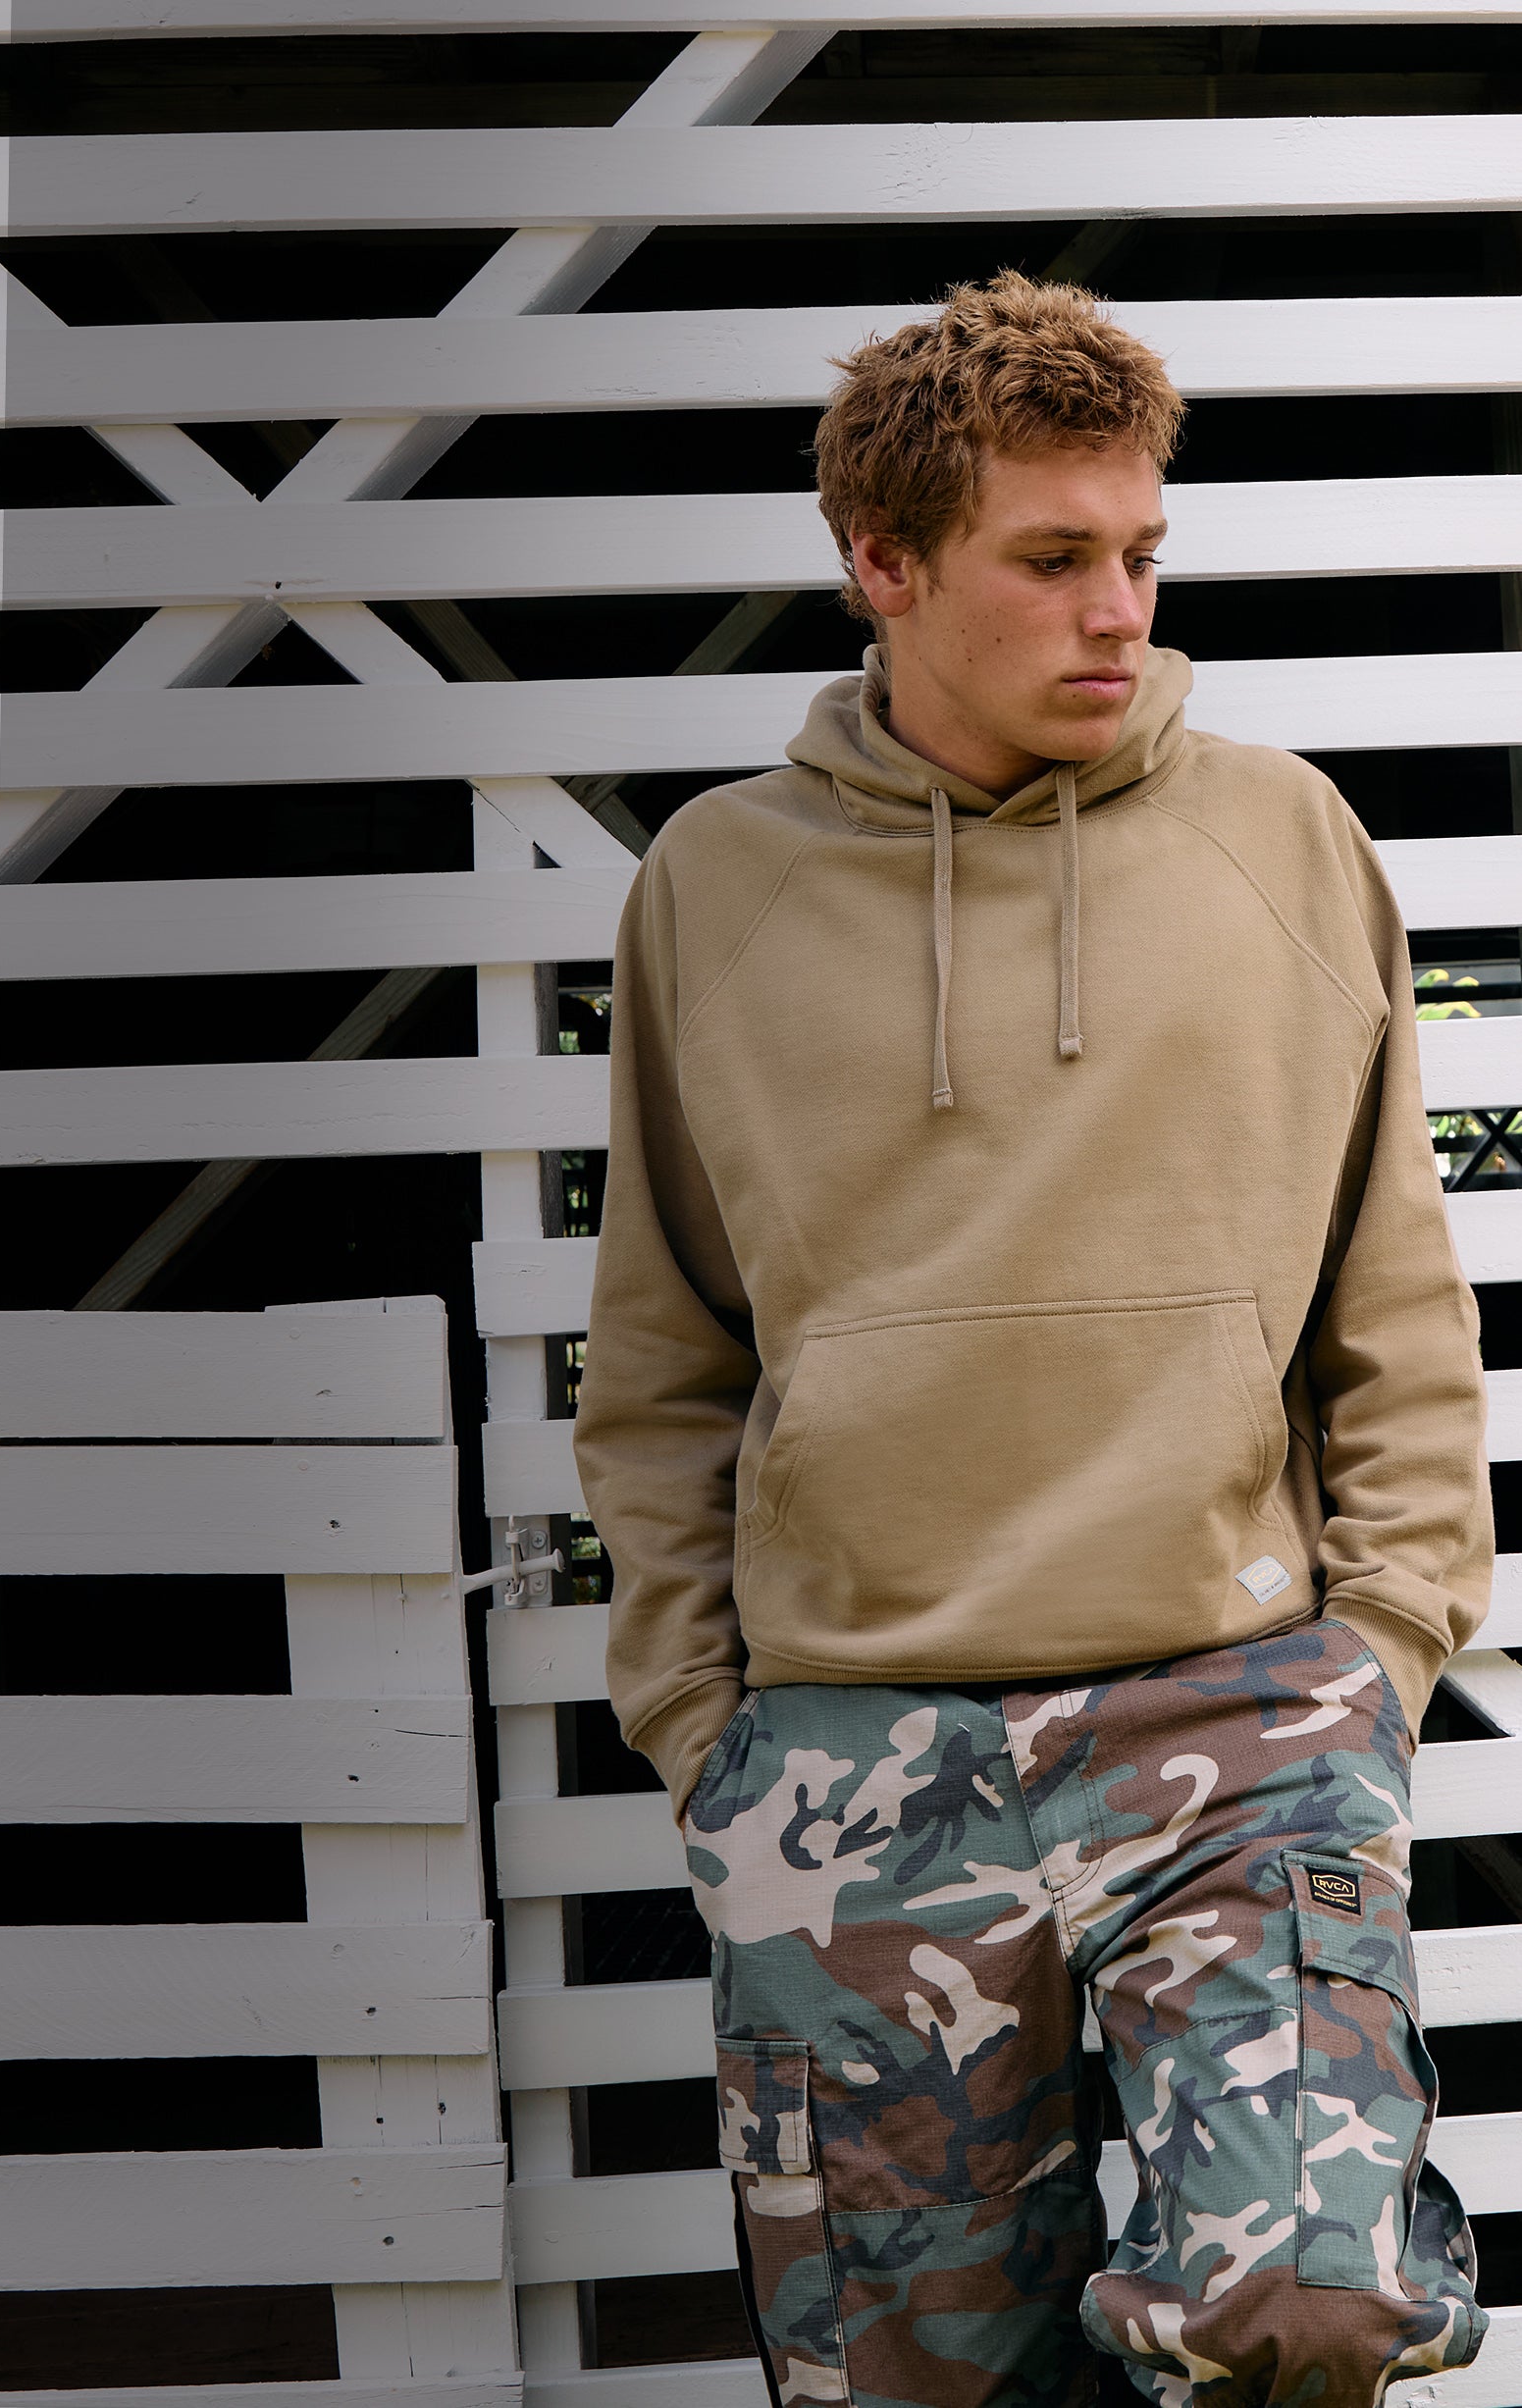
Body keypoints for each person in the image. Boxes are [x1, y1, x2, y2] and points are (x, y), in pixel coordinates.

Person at [572, 270, 1493, 2408]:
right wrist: (705, 1727)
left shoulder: (1280, 838)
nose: (1119, 612)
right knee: (916, 2386)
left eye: (1141, 553)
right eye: (1053, 557)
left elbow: (1389, 1291)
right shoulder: (712, 885)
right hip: (854, 1766)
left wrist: (1381, 1647)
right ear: (882, 564)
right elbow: (661, 1351)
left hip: (1231, 1716)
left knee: (1306, 2307)